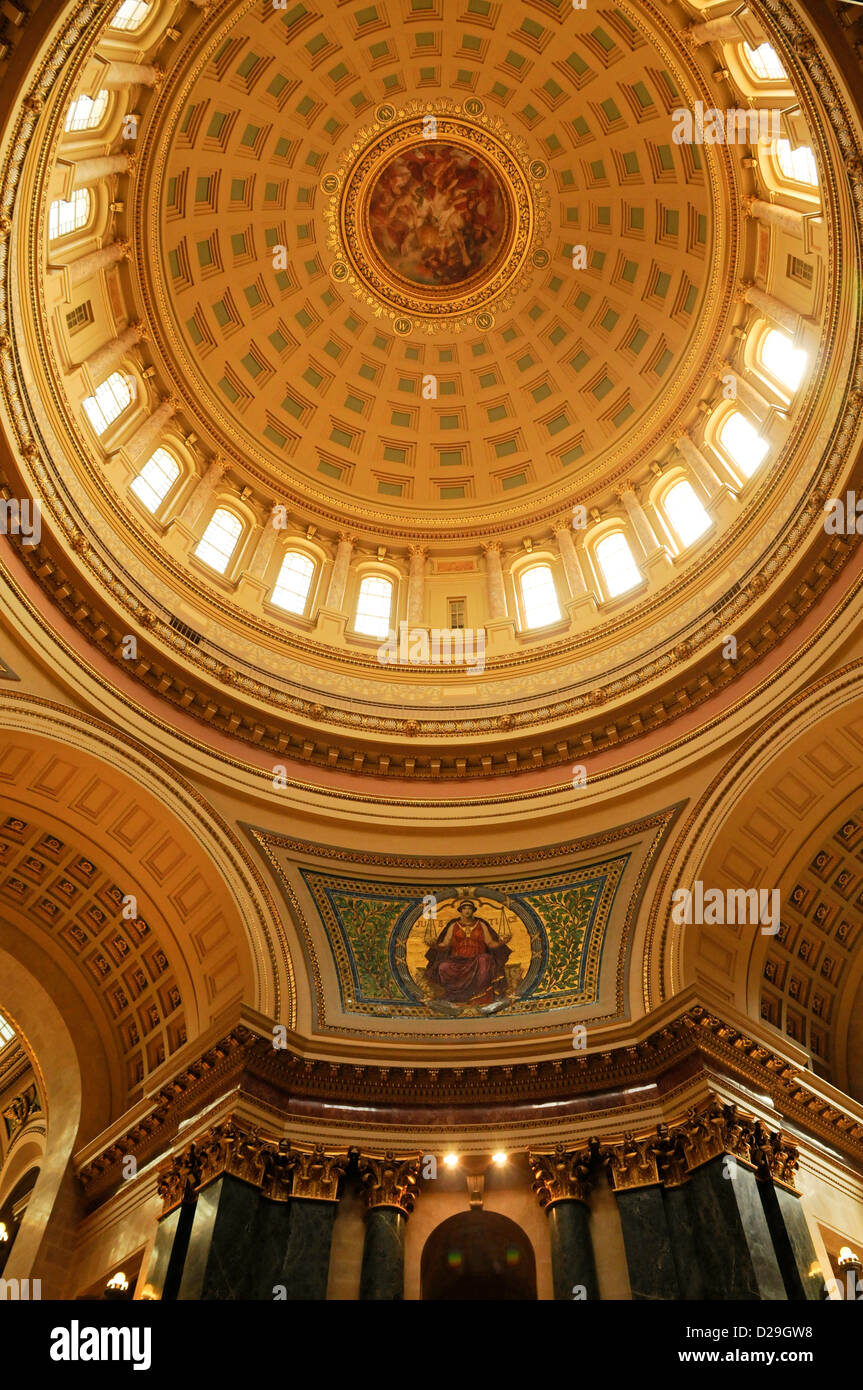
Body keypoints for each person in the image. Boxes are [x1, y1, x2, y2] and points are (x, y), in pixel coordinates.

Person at [424, 899, 510, 1007]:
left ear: (473, 910)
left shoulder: (481, 924)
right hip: (457, 961)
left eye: (469, 908)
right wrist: (433, 945)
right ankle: (455, 996)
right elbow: (445, 944)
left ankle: (480, 995)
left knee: (485, 959)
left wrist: (502, 942)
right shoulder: (454, 925)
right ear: (461, 910)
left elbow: (490, 943)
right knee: (443, 967)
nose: (467, 911)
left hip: (477, 958)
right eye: (464, 908)